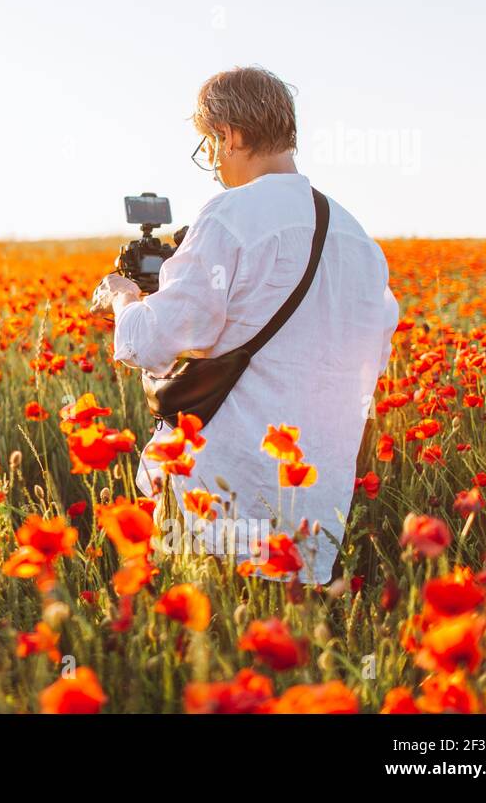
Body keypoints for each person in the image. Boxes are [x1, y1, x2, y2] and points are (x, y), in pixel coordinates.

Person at [95, 66, 399, 584]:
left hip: (223, 491)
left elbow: (153, 342)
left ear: (229, 136)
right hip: (315, 504)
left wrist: (124, 300)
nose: (212, 166)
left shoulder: (230, 214)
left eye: (207, 148)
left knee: (211, 644)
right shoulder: (358, 240)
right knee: (284, 649)